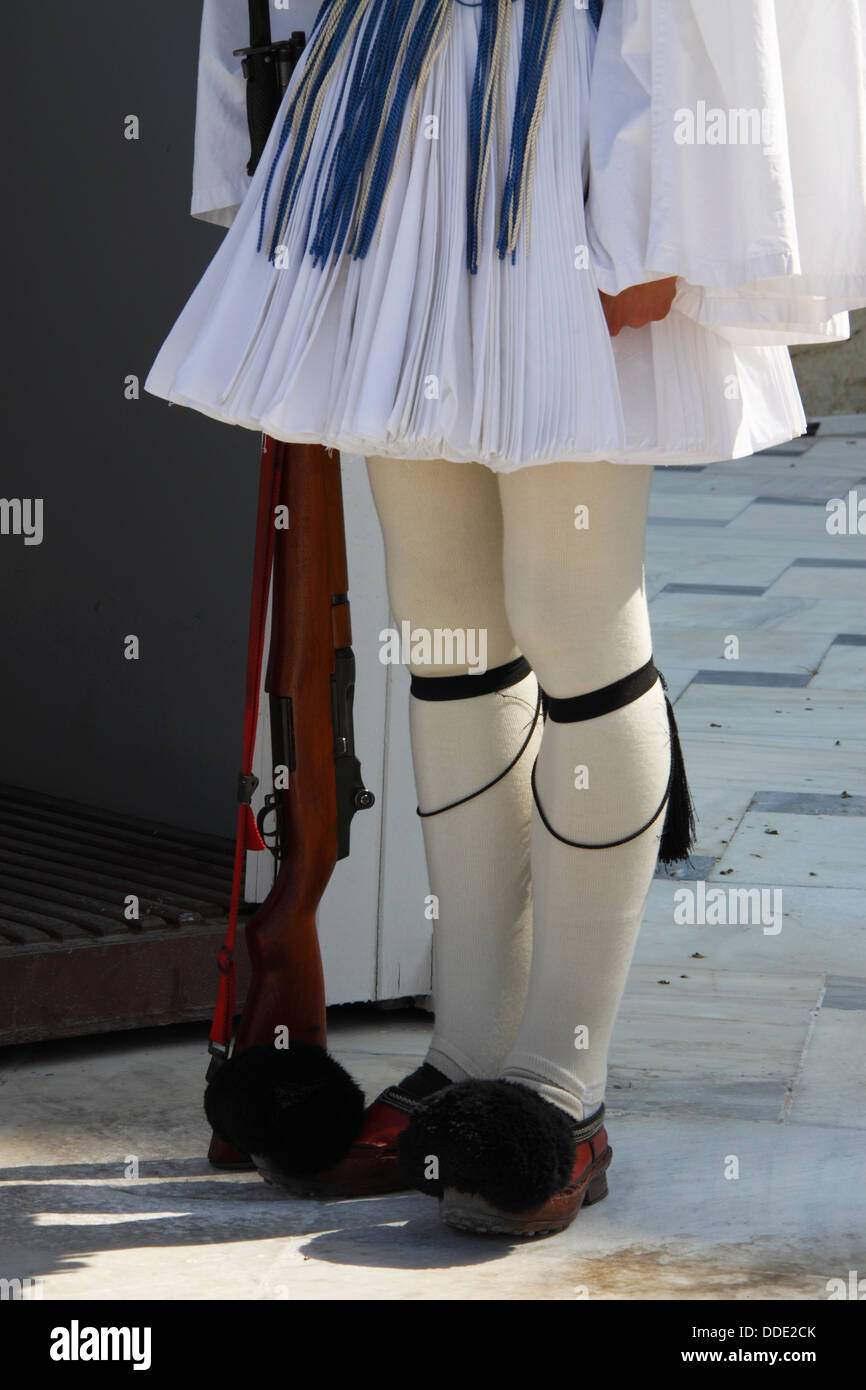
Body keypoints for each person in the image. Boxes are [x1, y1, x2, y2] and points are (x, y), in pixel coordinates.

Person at [145, 0, 866, 1237]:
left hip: (575, 118)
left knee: (571, 616)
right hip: (387, 114)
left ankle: (557, 1085)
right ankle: (466, 1053)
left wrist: (666, 195)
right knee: (444, 626)